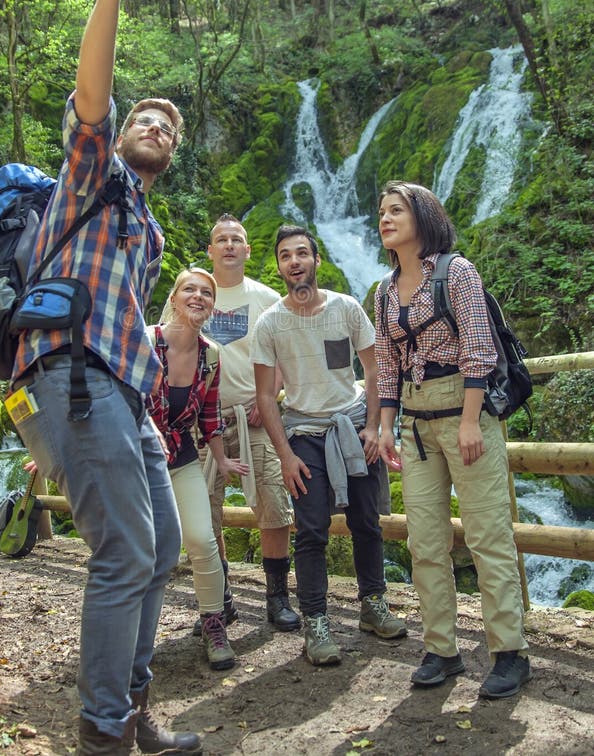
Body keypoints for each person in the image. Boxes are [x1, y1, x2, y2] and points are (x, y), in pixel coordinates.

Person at [9, 0, 202, 755]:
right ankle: (103, 733)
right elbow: (95, 90)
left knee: (158, 553)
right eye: (146, 116)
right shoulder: (92, 173)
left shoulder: (148, 233)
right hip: (70, 382)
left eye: (169, 124)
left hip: (125, 396)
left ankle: (129, 703)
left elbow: (139, 329)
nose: (155, 124)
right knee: (125, 555)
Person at [375, 180, 530, 699]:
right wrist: (386, 426)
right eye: (381, 212)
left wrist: (469, 420)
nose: (385, 218)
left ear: (422, 216)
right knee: (425, 541)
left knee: (487, 535)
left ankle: (509, 651)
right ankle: (441, 648)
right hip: (416, 425)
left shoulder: (457, 272)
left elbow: (479, 348)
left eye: (396, 209)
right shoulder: (383, 290)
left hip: (467, 417)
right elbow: (389, 367)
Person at [251, 224, 407, 666]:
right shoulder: (271, 324)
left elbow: (375, 371)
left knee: (366, 522)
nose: (295, 261)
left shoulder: (347, 308)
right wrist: (285, 456)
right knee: (312, 529)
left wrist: (375, 427)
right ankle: (316, 622)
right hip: (304, 435)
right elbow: (265, 396)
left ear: (317, 261)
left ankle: (373, 605)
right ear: (279, 265)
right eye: (286, 255)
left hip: (355, 426)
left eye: (302, 253)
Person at [199, 214, 300, 633]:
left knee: (275, 508)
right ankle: (219, 598)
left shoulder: (265, 298)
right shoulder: (193, 292)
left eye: (235, 239)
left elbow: (286, 350)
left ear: (247, 249)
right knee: (206, 515)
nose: (228, 245)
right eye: (220, 239)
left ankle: (277, 596)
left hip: (254, 417)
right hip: (203, 423)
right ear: (210, 251)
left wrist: (271, 394)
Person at [146, 267, 249, 671]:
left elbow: (208, 416)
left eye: (206, 292)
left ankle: (214, 623)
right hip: (139, 458)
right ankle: (135, 635)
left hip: (181, 454)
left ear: (212, 305)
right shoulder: (145, 343)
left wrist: (221, 459)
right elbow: (117, 397)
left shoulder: (211, 354)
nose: (199, 296)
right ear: (173, 298)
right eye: (189, 289)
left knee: (203, 542)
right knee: (149, 548)